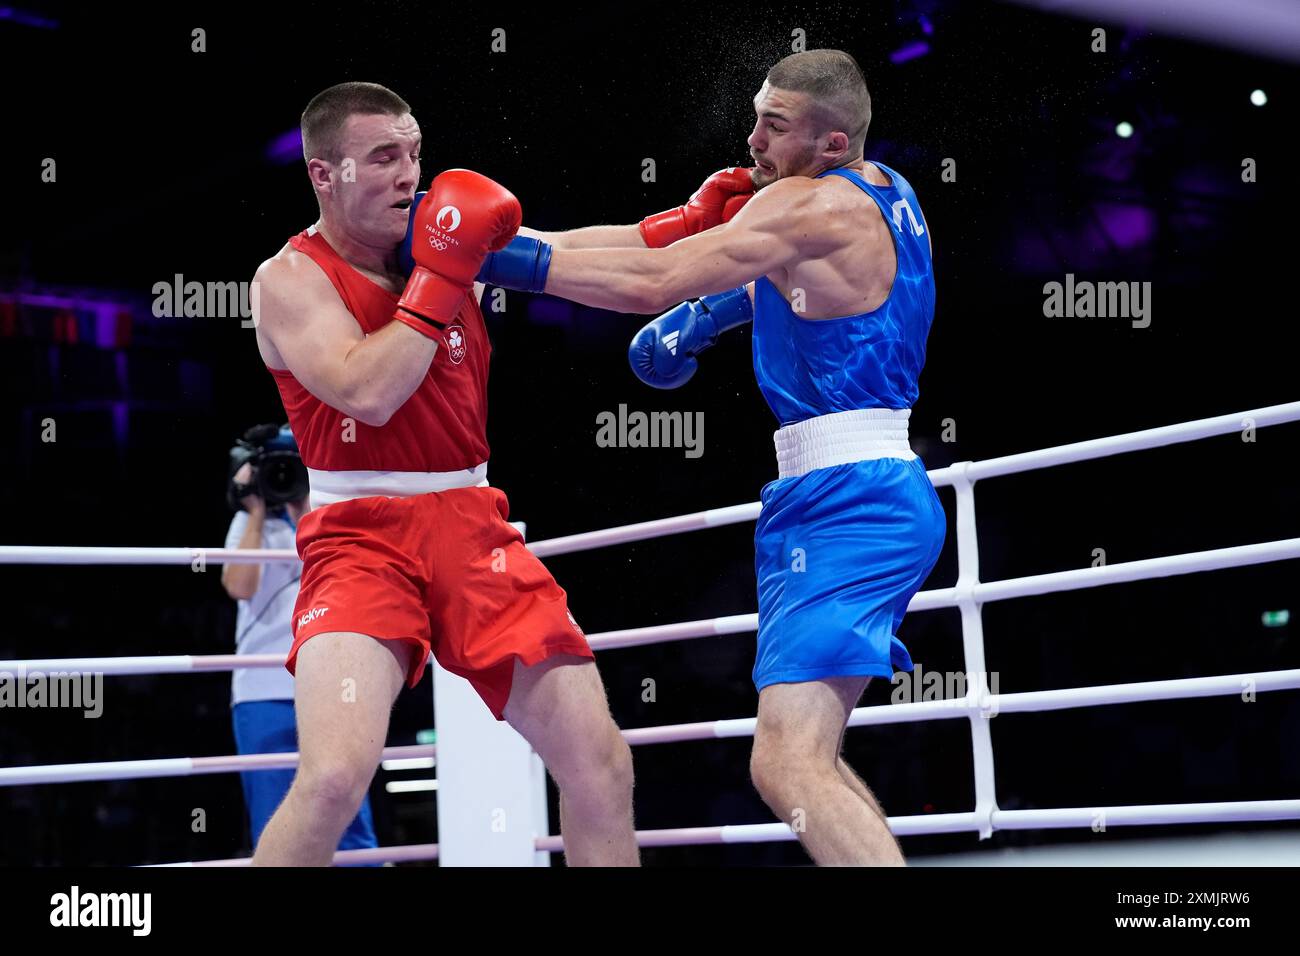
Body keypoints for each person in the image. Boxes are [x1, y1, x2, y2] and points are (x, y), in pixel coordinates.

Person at [481, 50, 945, 865]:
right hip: (853, 491)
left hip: (851, 500)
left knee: (786, 764)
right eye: (757, 113)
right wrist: (721, 312)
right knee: (811, 756)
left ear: (832, 144)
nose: (753, 137)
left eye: (776, 124)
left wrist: (503, 261)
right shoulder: (890, 191)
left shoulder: (807, 206)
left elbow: (651, 275)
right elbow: (826, 285)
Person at [247, 82, 637, 866]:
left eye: (414, 153)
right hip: (359, 539)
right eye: (383, 156)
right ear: (325, 175)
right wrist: (443, 276)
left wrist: (701, 224)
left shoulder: (438, 234)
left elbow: (589, 251)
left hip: (473, 526)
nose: (408, 173)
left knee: (601, 763)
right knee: (332, 779)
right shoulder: (289, 279)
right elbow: (367, 390)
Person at [221, 423, 379, 860]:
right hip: (261, 690)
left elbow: (337, 573)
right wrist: (255, 509)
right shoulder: (245, 524)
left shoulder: (332, 519)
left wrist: (301, 507)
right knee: (274, 814)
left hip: (328, 684)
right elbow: (239, 585)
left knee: (346, 806)